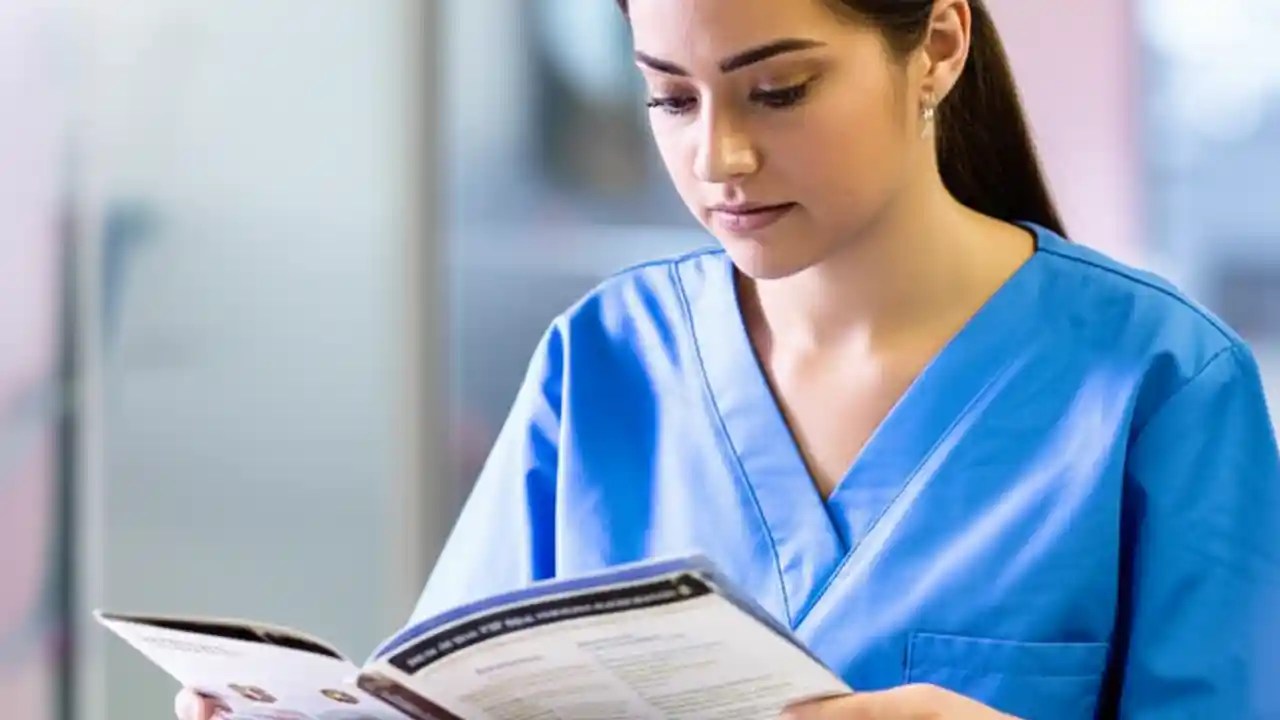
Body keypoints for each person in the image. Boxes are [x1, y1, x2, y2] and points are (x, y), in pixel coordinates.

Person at [179, 0, 1280, 717]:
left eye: (779, 90)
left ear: (936, 47)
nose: (720, 158)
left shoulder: (1158, 386)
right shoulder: (602, 361)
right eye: (668, 97)